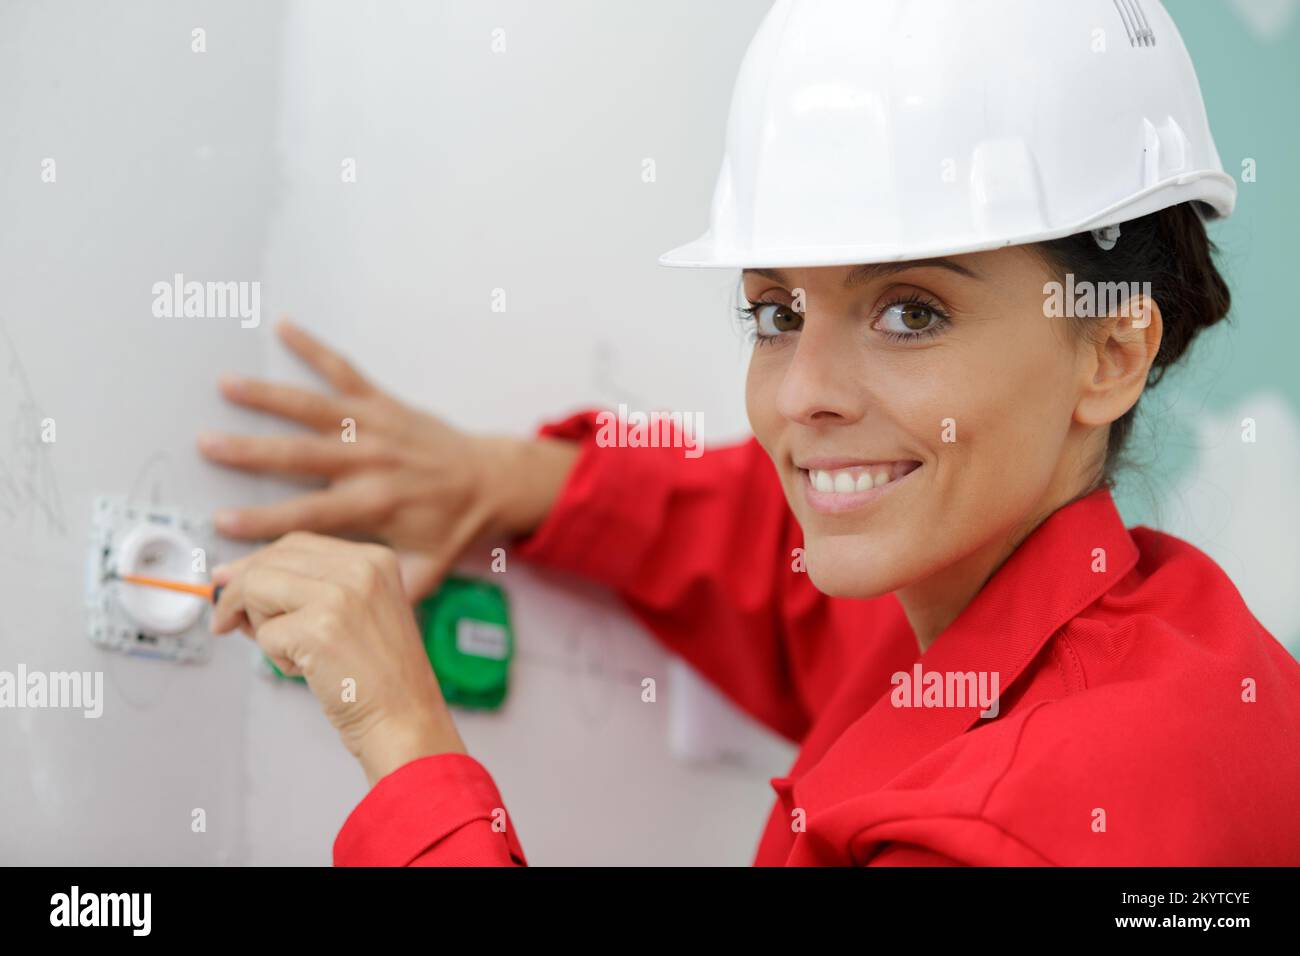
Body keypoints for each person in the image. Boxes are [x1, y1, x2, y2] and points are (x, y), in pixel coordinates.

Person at [201, 0, 1300, 865]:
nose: (797, 395)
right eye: (775, 314)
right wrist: (519, 481)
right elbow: (791, 584)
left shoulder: (1015, 830)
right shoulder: (1129, 627)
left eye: (910, 311)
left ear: (1109, 350)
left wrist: (403, 743)